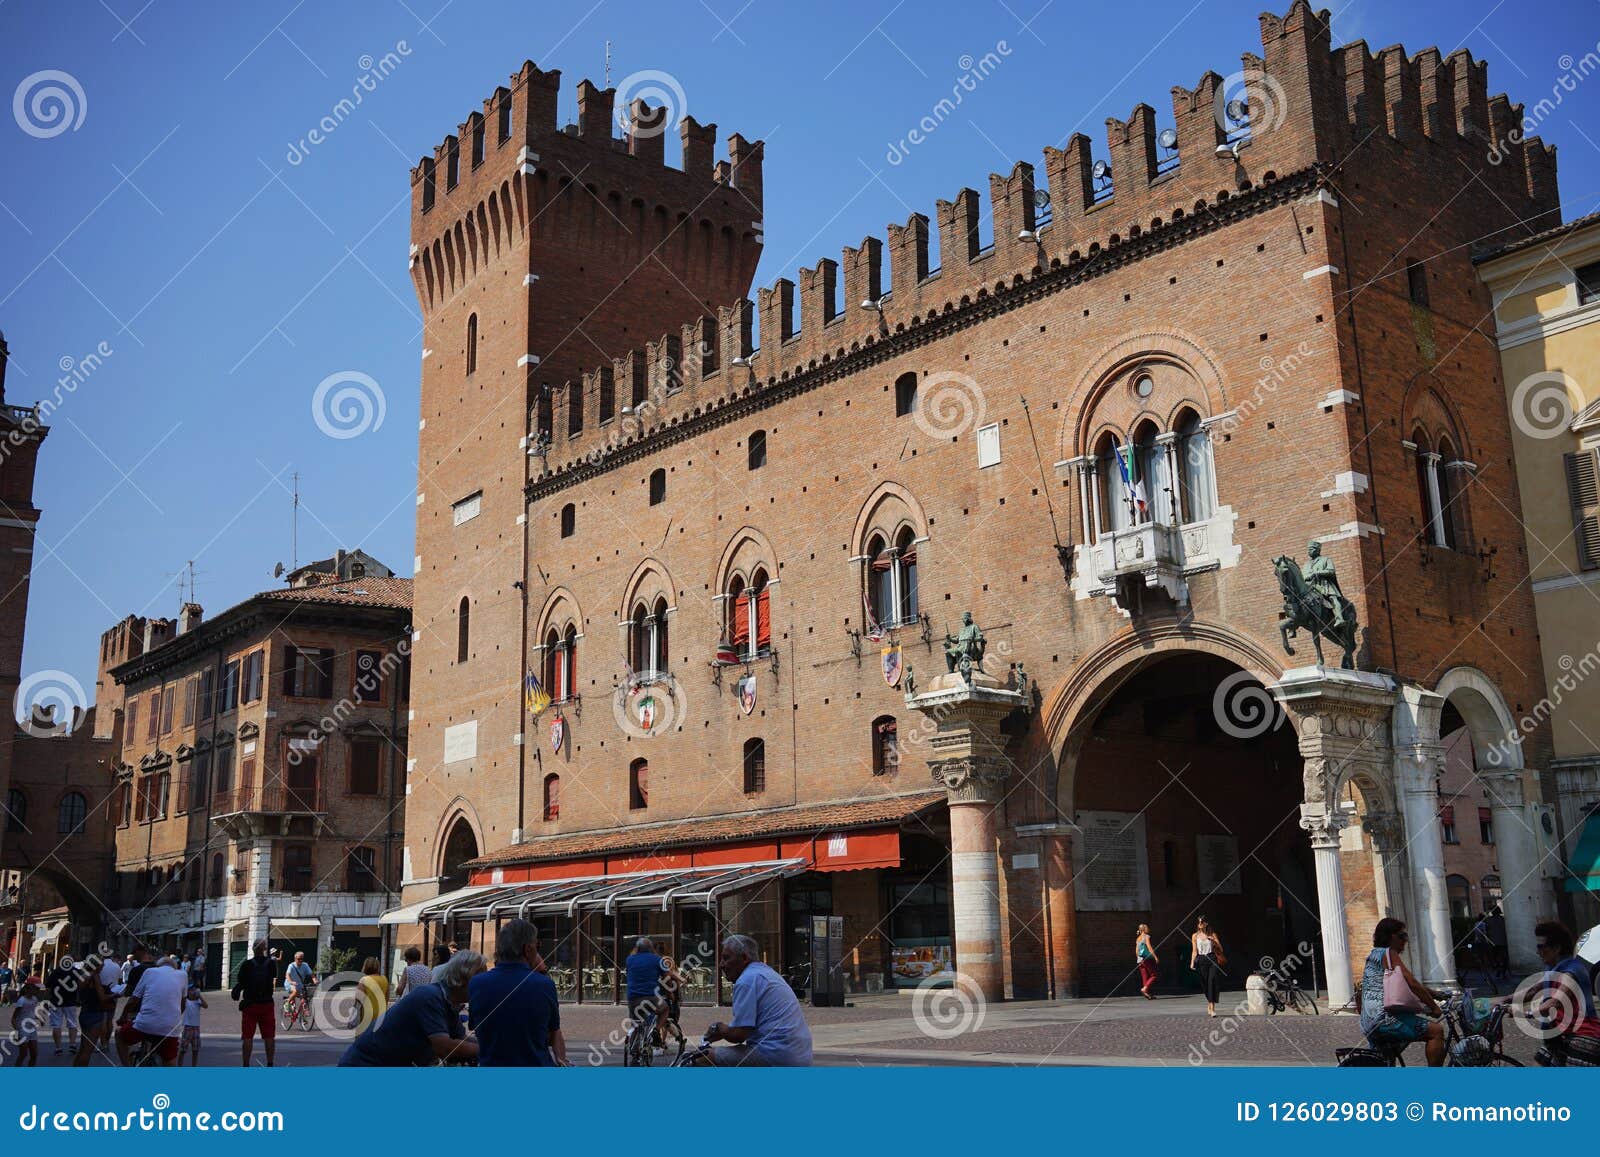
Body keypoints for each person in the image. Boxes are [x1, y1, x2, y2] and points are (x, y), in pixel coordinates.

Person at [339, 951, 484, 1067]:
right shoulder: (431, 997)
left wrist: (490, 1045)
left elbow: (459, 1038)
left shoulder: (449, 1003)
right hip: (366, 1064)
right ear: (462, 978)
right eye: (480, 978)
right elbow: (444, 1046)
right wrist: (488, 1050)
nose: (484, 984)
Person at [703, 934, 812, 1066]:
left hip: (774, 1054)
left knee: (701, 1057)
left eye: (726, 958)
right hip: (800, 1054)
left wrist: (719, 1028)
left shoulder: (746, 980)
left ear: (744, 958)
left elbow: (738, 1035)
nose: (721, 965)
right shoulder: (767, 972)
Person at [468, 919, 565, 1066]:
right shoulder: (544, 985)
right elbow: (552, 1034)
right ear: (528, 949)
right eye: (537, 946)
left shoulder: (477, 983)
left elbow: (476, 1027)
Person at [1358, 917, 1445, 1066]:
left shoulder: (1373, 954)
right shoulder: (1389, 953)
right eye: (1402, 936)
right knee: (1436, 1031)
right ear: (1391, 936)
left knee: (1386, 1061)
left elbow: (1403, 981)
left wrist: (1433, 993)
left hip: (1368, 1022)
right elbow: (1411, 982)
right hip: (1384, 1020)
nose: (1405, 940)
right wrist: (1434, 1007)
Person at [119, 950, 187, 1067]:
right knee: (170, 1061)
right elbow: (183, 1004)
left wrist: (122, 1017)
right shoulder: (182, 975)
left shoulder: (150, 972)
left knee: (119, 1035)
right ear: (174, 967)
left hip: (145, 1024)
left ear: (158, 966)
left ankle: (126, 1067)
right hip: (170, 1027)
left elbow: (133, 1000)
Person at [231, 938, 277, 1067]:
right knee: (269, 1037)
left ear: (253, 948)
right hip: (267, 1004)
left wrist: (238, 990)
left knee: (247, 1037)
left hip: (250, 1005)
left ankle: (246, 1064)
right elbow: (273, 977)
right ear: (265, 949)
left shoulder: (247, 964)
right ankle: (270, 1063)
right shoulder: (271, 964)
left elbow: (241, 982)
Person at [74, 945, 119, 1067]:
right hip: (95, 1014)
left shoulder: (83, 975)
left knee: (82, 1048)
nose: (103, 966)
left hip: (84, 1013)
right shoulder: (95, 977)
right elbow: (102, 998)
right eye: (102, 964)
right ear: (97, 965)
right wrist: (115, 995)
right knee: (88, 1051)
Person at [624, 935, 667, 1031]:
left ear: (638, 948)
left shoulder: (630, 959)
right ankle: (656, 1030)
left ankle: (631, 1035)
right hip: (651, 997)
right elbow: (667, 977)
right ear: (651, 948)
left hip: (633, 997)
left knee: (634, 1018)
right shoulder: (658, 960)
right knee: (665, 1009)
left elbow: (628, 972)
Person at [46, 953, 81, 1055]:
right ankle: (72, 1045)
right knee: (72, 1024)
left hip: (55, 1002)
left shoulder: (55, 972)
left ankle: (58, 1048)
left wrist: (46, 1000)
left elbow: (47, 987)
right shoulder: (75, 971)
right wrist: (79, 999)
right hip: (70, 1001)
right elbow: (80, 986)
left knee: (56, 1025)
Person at [1190, 917, 1225, 1017]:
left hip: (1212, 958)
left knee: (1212, 981)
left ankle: (1212, 1007)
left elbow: (1221, 949)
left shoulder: (1212, 934)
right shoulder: (1195, 936)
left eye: (1202, 922)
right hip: (1201, 959)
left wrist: (1214, 940)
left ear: (1206, 924)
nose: (1200, 923)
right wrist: (1192, 962)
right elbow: (1194, 950)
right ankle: (1209, 1001)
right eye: (1199, 922)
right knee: (1205, 983)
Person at [11, 978, 40, 1066]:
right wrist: (17, 1032)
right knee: (23, 1054)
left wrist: (39, 1018)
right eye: (37, 988)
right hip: (23, 1030)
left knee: (34, 1054)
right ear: (29, 987)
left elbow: (31, 1012)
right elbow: (14, 1018)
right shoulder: (22, 1001)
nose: (38, 990)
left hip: (32, 1029)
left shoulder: (35, 999)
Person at [355, 957, 389, 1033]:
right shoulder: (384, 979)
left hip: (367, 1016)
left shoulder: (364, 980)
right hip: (381, 1015)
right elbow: (386, 998)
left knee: (363, 1040)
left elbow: (358, 999)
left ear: (365, 967)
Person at [180, 984, 207, 1066]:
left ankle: (194, 1066)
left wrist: (200, 996)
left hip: (196, 1028)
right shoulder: (186, 1001)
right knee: (183, 1050)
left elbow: (206, 1006)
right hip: (187, 1027)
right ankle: (179, 1065)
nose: (193, 992)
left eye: (194, 990)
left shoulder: (198, 1001)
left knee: (195, 1050)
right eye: (191, 990)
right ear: (187, 992)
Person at [1135, 924, 1160, 999]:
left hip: (1140, 960)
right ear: (1144, 929)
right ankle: (1145, 989)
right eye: (1147, 928)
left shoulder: (1138, 938)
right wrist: (1155, 957)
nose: (1148, 929)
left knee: (1145, 977)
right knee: (1154, 975)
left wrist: (1138, 959)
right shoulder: (1146, 936)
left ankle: (1147, 993)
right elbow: (1149, 947)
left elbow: (1136, 951)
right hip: (1147, 959)